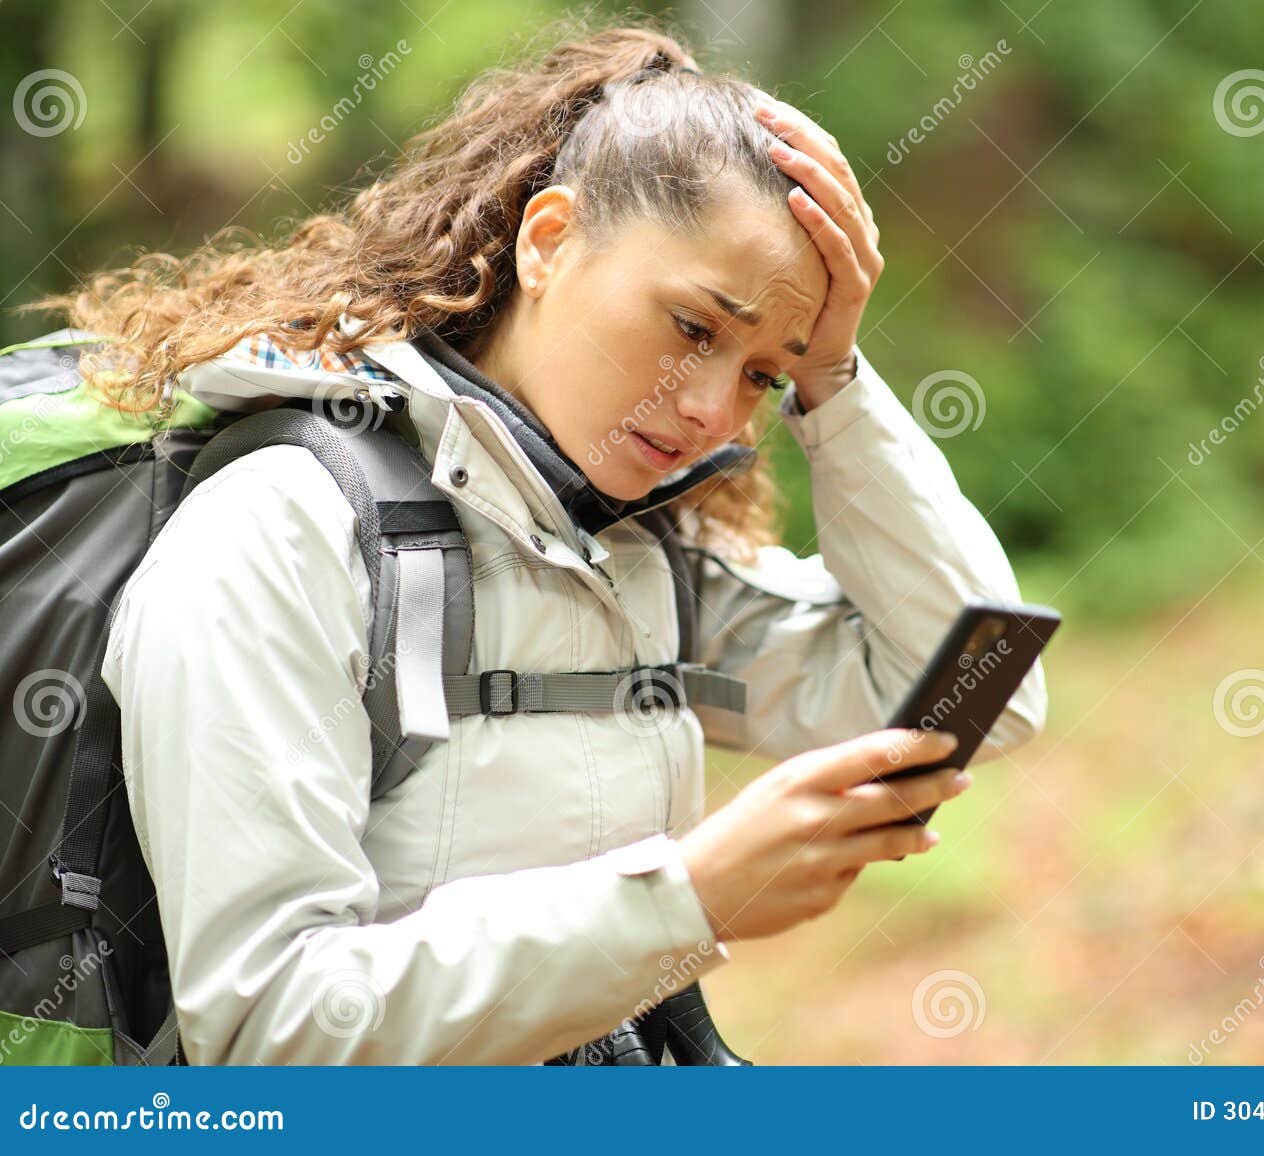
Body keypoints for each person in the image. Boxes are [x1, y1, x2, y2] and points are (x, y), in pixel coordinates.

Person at [44, 23, 1046, 1064]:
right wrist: (685, 902)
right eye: (695, 327)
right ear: (548, 240)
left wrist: (832, 375)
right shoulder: (280, 532)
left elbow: (980, 684)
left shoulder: (637, 556)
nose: (711, 409)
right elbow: (270, 1036)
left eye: (761, 374)